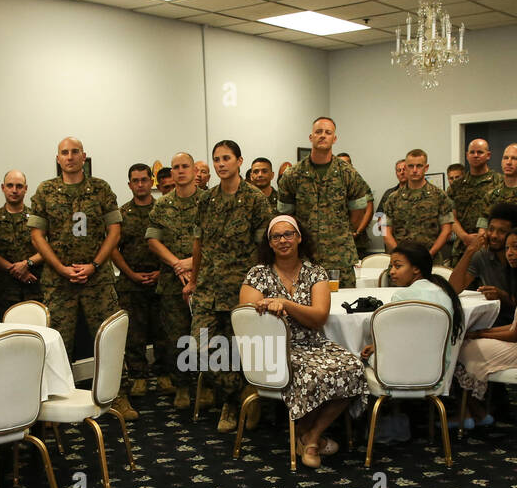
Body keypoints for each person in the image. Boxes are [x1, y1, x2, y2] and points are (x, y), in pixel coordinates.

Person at [240, 215, 367, 469]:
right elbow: (247, 317)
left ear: (299, 237)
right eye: (276, 236)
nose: (283, 240)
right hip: (273, 349)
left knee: (353, 367)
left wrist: (285, 303)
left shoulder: (315, 272)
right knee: (311, 372)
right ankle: (309, 440)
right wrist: (269, 306)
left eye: (288, 234)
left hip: (313, 343)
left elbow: (318, 317)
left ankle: (310, 436)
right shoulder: (258, 274)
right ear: (269, 242)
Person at [185, 139, 272, 432]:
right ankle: (243, 394)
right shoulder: (206, 200)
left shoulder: (255, 200)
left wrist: (264, 286)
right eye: (216, 159)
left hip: (243, 289)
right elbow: (198, 243)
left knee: (240, 349)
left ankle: (230, 406)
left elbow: (265, 248)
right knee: (199, 349)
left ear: (239, 161)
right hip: (209, 288)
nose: (221, 164)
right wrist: (194, 279)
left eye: (226, 158)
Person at [27, 137, 123, 371]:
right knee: (57, 341)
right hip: (59, 281)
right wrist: (60, 268)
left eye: (74, 152)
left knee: (108, 337)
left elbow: (114, 231)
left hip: (97, 279)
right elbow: (37, 236)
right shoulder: (45, 190)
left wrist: (95, 265)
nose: (69, 157)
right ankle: (61, 395)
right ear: (58, 158)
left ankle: (116, 394)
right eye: (64, 153)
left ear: (83, 156)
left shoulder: (100, 188)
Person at [455, 226, 517, 424]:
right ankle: (474, 410)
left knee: (459, 347)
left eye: (516, 247)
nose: (509, 253)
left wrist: (480, 335)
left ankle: (471, 411)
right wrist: (480, 332)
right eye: (507, 248)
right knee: (464, 342)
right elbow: (515, 327)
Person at [277, 116, 372, 287]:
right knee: (304, 308)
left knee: (344, 306)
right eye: (318, 132)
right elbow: (285, 217)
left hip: (340, 257)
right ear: (311, 137)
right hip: (305, 257)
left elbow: (358, 211)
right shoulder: (293, 175)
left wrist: (342, 233)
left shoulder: (348, 174)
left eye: (328, 133)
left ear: (334, 138)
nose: (323, 136)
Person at [147, 152, 205, 409]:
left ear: (194, 171)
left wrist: (190, 263)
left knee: (206, 336)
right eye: (176, 168)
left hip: (205, 280)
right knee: (177, 338)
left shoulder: (209, 201)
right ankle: (182, 386)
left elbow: (217, 240)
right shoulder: (162, 205)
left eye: (185, 167)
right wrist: (175, 263)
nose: (180, 171)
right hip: (173, 282)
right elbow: (152, 240)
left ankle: (207, 386)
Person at [360, 241, 465, 374]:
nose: (391, 272)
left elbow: (394, 338)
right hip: (437, 372)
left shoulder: (402, 296)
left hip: (401, 372)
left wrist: (376, 347)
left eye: (397, 266)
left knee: (359, 357)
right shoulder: (444, 293)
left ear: (416, 269)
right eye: (391, 266)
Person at [113, 164, 162, 414]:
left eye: (144, 180)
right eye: (135, 181)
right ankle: (139, 376)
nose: (140, 184)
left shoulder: (163, 209)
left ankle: (167, 375)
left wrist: (162, 272)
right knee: (134, 333)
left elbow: (174, 243)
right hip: (131, 280)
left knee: (165, 330)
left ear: (151, 181)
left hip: (163, 277)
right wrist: (130, 273)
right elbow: (112, 248)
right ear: (129, 184)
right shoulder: (122, 213)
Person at [447, 202, 517, 325]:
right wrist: (469, 251)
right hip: (491, 321)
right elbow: (453, 289)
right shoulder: (482, 256)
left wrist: (503, 297)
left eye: (502, 231)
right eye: (491, 229)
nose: (493, 236)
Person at [382, 148, 453, 261]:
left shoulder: (439, 196)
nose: (414, 170)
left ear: (426, 167)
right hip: (401, 261)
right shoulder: (393, 198)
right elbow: (385, 231)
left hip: (430, 259)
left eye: (419, 166)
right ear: (405, 168)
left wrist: (429, 254)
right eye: (410, 166)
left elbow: (447, 230)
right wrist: (400, 255)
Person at [0, 169, 43, 320]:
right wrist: (17, 270)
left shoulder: (37, 218)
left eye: (19, 186)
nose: (14, 190)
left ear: (26, 189)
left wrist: (28, 263)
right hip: (3, 291)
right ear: (3, 187)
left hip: (34, 289)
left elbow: (48, 249)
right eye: (10, 185)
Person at [447, 139, 505, 265]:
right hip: (462, 247)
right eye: (472, 152)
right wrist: (464, 237)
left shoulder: (500, 182)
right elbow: (450, 216)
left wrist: (483, 238)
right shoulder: (457, 185)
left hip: (491, 247)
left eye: (480, 152)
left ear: (488, 155)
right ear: (467, 155)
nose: (476, 155)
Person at [482, 144, 517, 224]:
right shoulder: (492, 194)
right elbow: (483, 228)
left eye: (514, 158)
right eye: (505, 158)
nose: (508, 162)